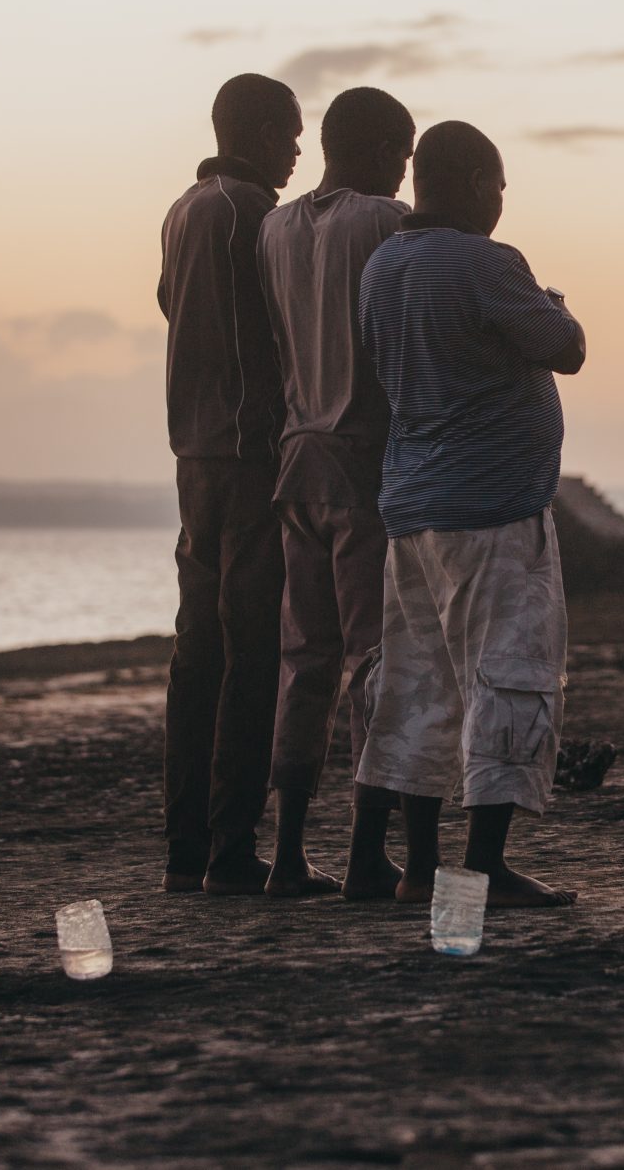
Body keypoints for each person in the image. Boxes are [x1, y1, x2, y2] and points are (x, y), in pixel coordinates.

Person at [352, 120, 586, 908]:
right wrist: (548, 300)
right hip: (494, 510)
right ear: (475, 181)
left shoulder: (382, 266)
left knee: (420, 685)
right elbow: (568, 345)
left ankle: (421, 868)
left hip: (412, 510)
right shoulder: (489, 263)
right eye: (497, 184)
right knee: (508, 677)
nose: (500, 199)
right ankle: (482, 867)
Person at [254, 87, 416, 899]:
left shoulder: (274, 227)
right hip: (362, 457)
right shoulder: (386, 223)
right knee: (374, 660)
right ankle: (364, 849)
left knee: (304, 659)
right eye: (406, 156)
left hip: (297, 456)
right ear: (387, 149)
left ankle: (286, 851)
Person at [155, 73, 302, 894]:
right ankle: (232, 849)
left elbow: (169, 304)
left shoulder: (184, 207)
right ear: (252, 129)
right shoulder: (253, 214)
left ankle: (187, 848)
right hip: (250, 452)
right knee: (252, 653)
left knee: (197, 654)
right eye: (288, 131)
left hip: (193, 453)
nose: (296, 148)